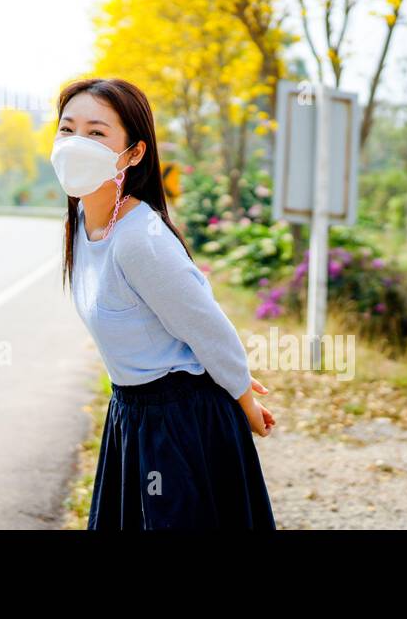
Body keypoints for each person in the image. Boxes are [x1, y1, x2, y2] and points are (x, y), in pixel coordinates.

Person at [51, 76, 277, 530]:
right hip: (131, 414)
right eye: (67, 129)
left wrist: (245, 399)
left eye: (97, 133)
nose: (77, 143)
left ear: (133, 154)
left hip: (182, 421)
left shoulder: (140, 240)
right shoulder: (80, 218)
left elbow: (207, 326)